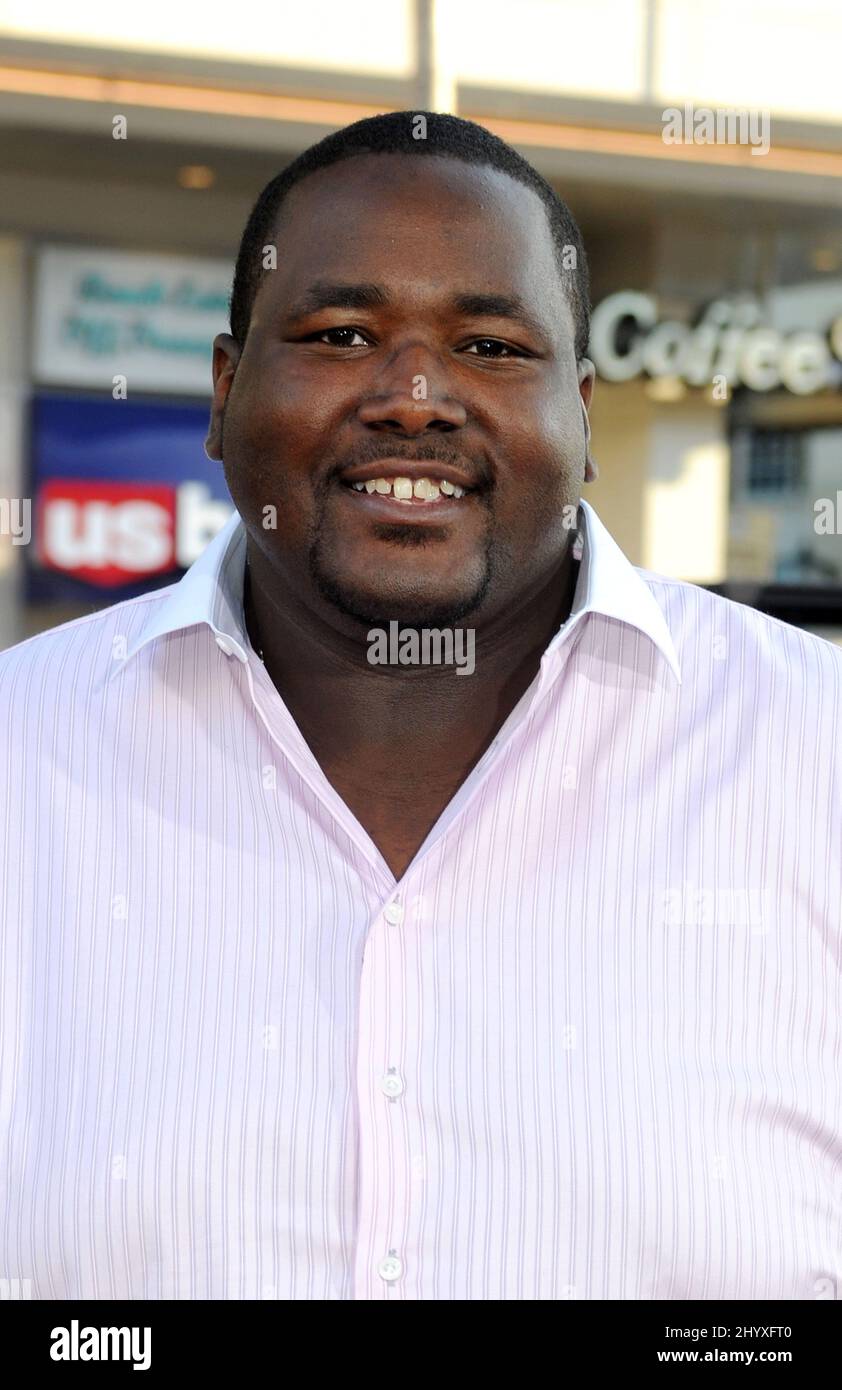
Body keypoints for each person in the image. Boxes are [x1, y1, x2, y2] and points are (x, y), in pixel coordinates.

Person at [0, 111, 839, 1302]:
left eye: (492, 347)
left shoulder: (816, 760)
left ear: (584, 416)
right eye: (342, 332)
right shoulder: (20, 758)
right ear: (226, 391)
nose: (412, 397)